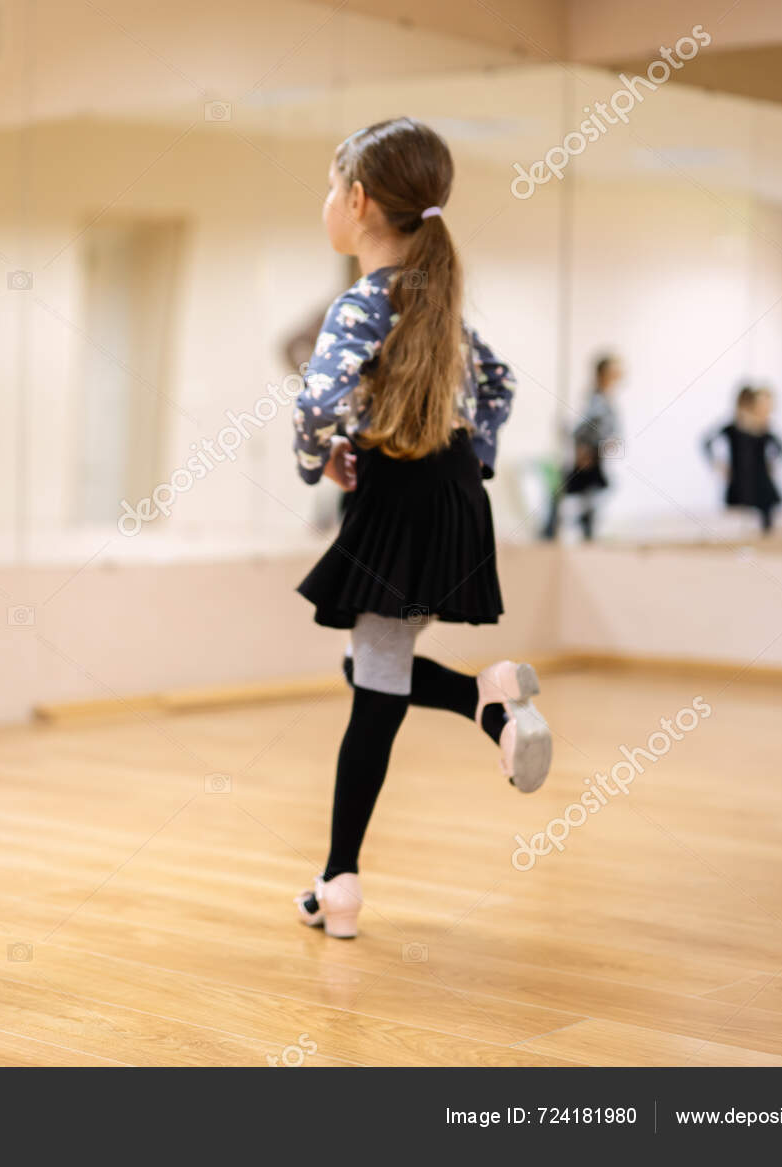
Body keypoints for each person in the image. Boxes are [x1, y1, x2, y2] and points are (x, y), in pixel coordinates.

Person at [290, 119, 551, 941]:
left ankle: (340, 881)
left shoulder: (364, 301)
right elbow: (500, 388)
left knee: (374, 687)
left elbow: (314, 404)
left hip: (395, 500)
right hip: (449, 501)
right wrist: (469, 465)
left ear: (359, 202)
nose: (327, 202)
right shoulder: (438, 303)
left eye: (334, 188)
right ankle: (487, 703)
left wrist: (319, 458)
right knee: (368, 664)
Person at [542, 354, 623, 541]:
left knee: (592, 492)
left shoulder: (604, 398)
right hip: (588, 455)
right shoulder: (595, 399)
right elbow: (582, 427)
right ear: (603, 374)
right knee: (578, 491)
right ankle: (560, 530)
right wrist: (583, 450)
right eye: (614, 371)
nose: (619, 375)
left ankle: (579, 528)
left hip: (596, 455)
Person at [703, 383, 782, 534]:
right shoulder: (732, 428)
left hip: (760, 479)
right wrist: (718, 464)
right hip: (741, 478)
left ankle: (765, 532)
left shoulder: (763, 427)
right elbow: (707, 442)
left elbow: (781, 448)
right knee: (742, 510)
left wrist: (772, 462)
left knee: (764, 506)